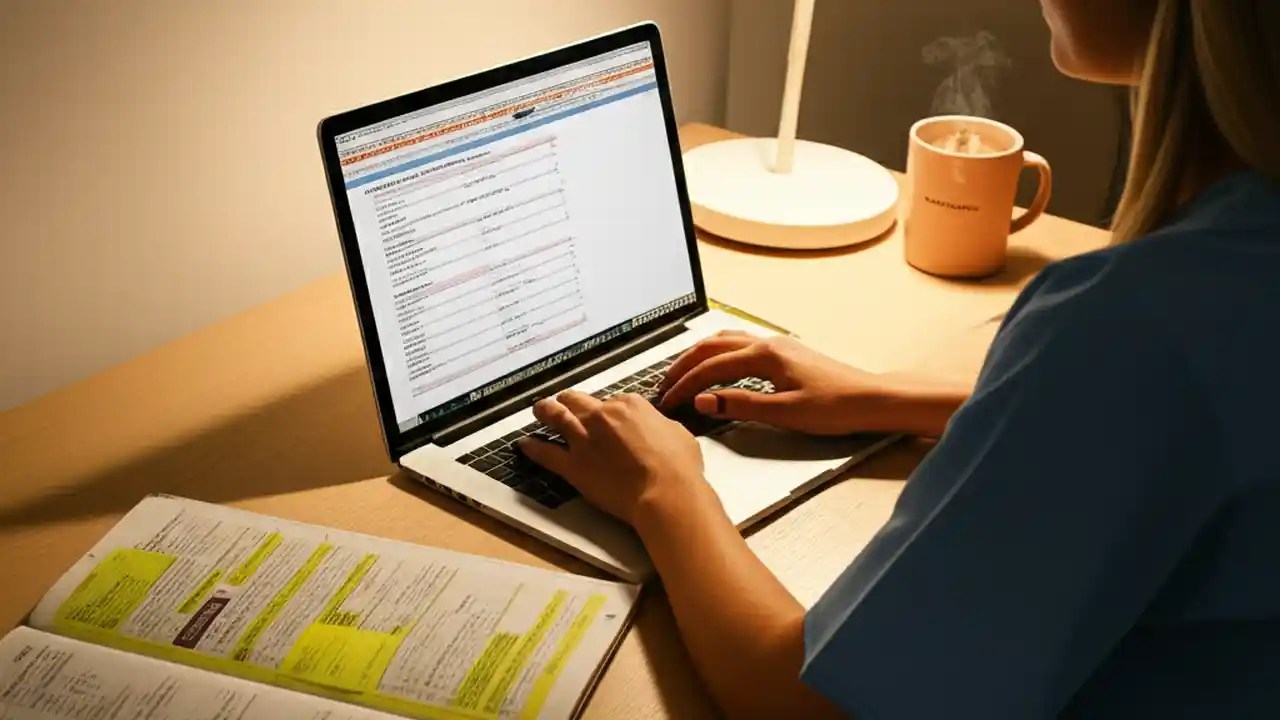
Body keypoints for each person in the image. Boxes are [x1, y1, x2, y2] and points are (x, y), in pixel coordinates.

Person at [519, 1, 1280, 716]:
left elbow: (809, 703)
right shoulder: (1219, 279)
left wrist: (664, 489)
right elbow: (1174, 430)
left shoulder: (1131, 326)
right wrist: (904, 399)